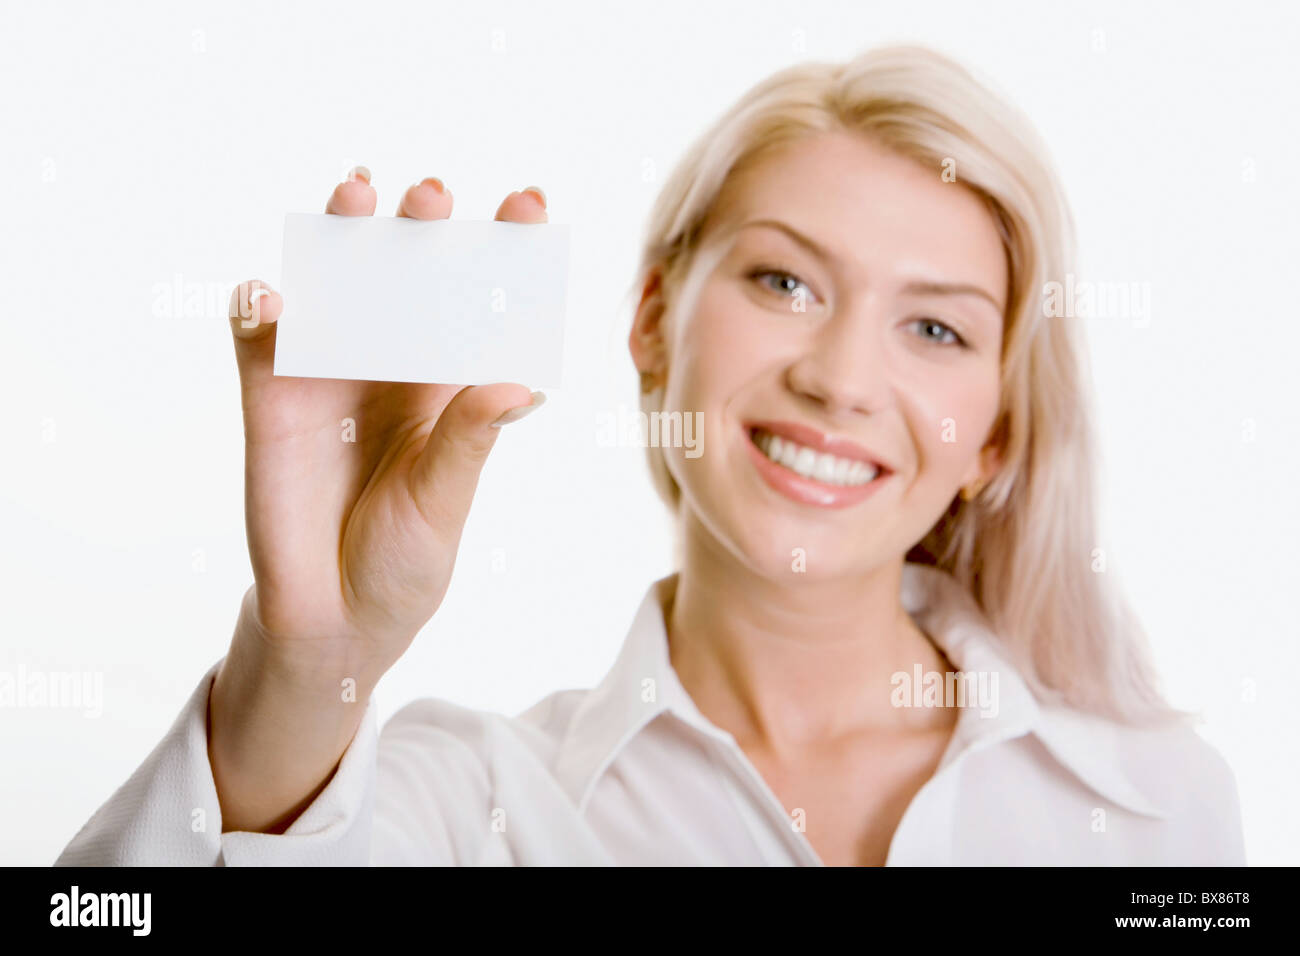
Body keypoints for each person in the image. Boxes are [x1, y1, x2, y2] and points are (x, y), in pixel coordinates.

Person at [55, 44, 1245, 866]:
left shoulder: (1152, 803)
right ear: (649, 321)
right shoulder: (466, 805)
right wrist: (305, 667)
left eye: (935, 327)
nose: (838, 376)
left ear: (991, 432)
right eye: (783, 280)